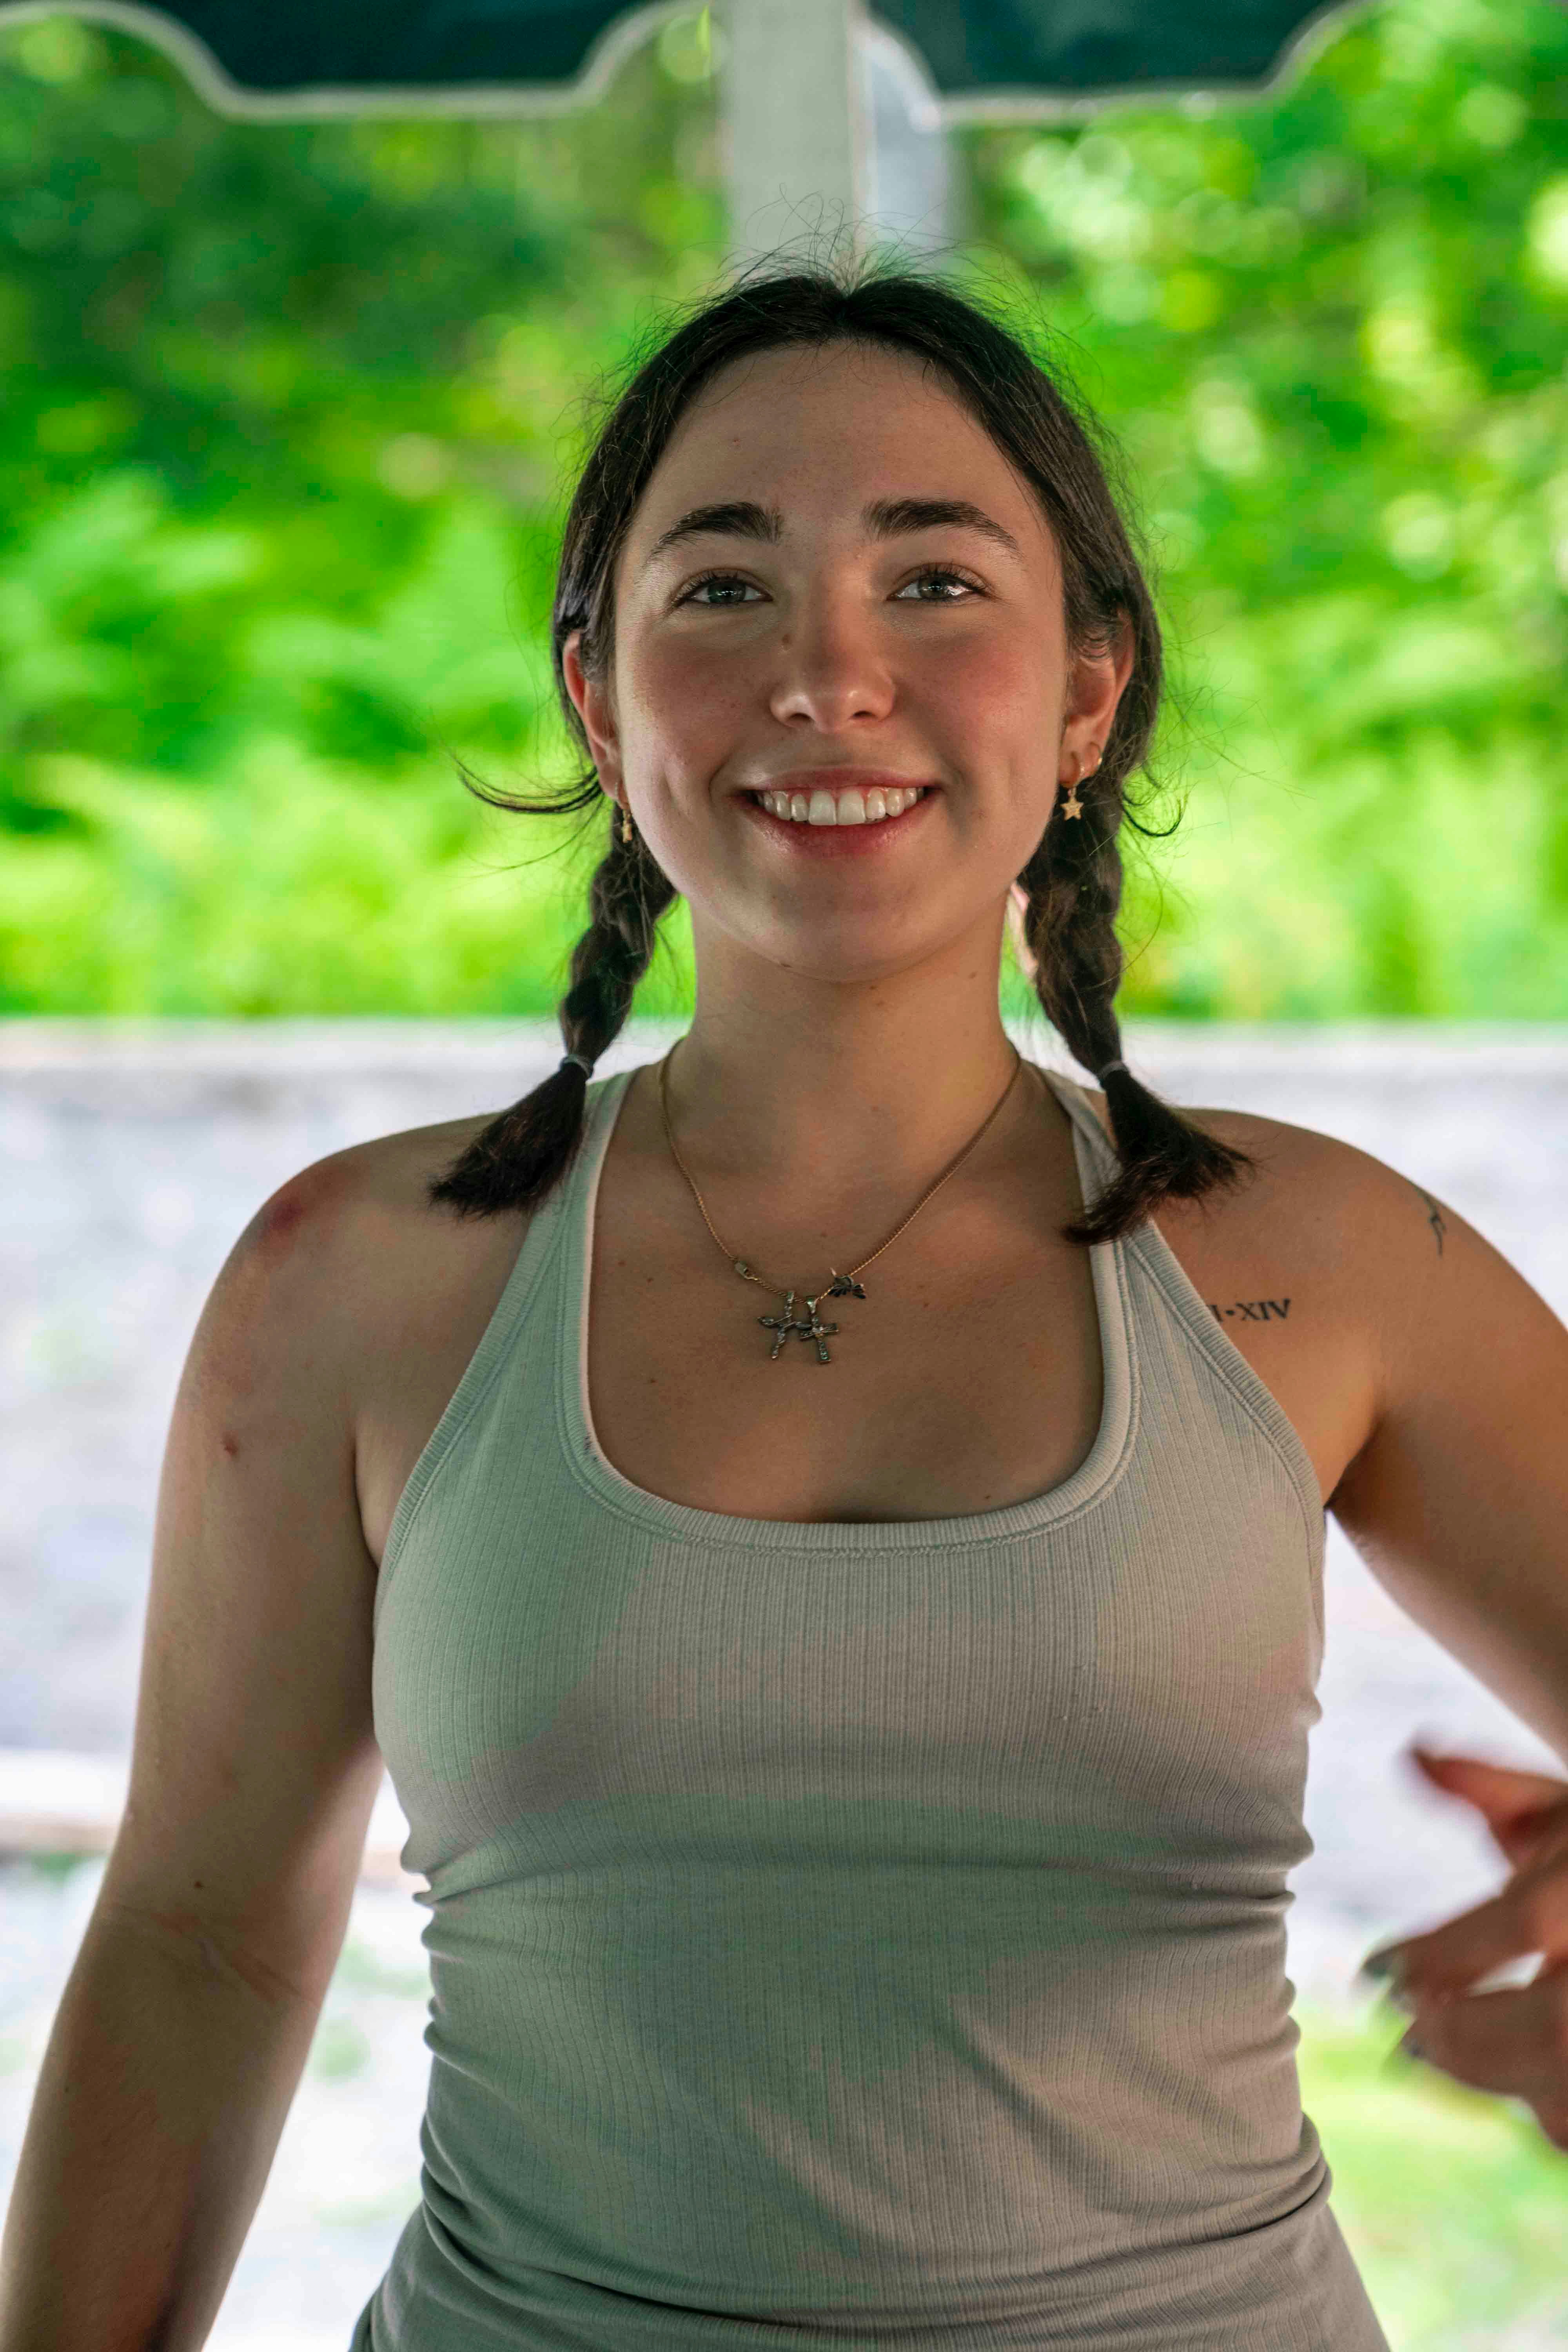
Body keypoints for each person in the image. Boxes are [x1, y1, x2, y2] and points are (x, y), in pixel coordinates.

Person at [9, 256, 1568, 2352]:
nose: (829, 676)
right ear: (599, 694)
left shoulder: (1324, 1268)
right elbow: (198, 1941)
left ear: (1092, 689)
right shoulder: (358, 1284)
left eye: (935, 586)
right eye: (723, 591)